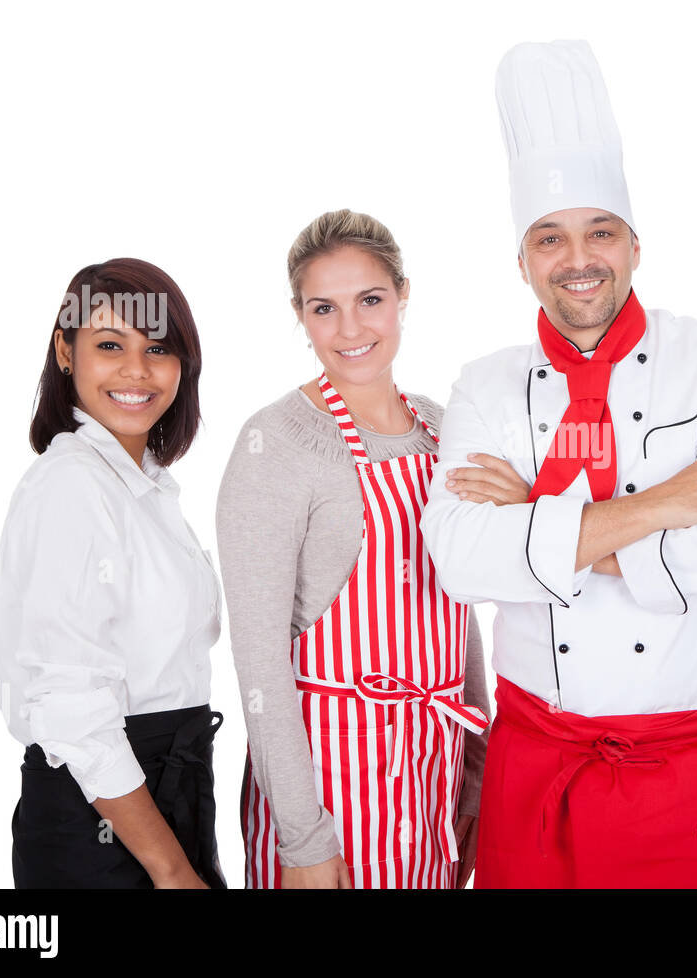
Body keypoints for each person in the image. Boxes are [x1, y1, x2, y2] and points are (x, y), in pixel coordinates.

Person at [419, 40, 697, 888]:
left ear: (634, 245)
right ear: (521, 261)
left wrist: (539, 518)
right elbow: (460, 560)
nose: (577, 258)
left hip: (692, 771)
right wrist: (669, 502)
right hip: (537, 766)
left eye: (600, 233)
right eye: (548, 238)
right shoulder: (482, 386)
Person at [217, 209, 491, 889]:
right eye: (323, 308)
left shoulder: (442, 427)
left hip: (432, 777)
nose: (350, 330)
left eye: (370, 300)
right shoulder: (275, 443)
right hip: (329, 794)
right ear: (299, 316)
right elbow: (258, 665)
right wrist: (303, 841)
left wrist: (477, 771)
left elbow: (459, 605)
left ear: (402, 294)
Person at [0, 258, 224, 888]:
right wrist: (172, 871)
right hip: (102, 820)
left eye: (158, 349)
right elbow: (70, 703)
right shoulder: (71, 485)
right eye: (109, 346)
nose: (137, 371)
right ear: (65, 353)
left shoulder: (144, 489)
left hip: (160, 802)